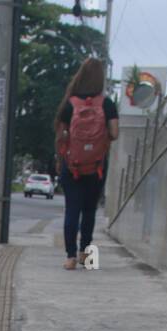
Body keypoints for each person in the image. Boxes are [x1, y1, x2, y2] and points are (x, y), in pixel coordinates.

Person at [54, 58, 118, 270]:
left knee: (71, 209)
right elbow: (115, 133)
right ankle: (85, 252)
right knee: (89, 210)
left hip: (72, 165)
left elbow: (61, 134)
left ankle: (70, 257)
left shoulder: (70, 104)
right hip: (97, 166)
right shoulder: (107, 104)